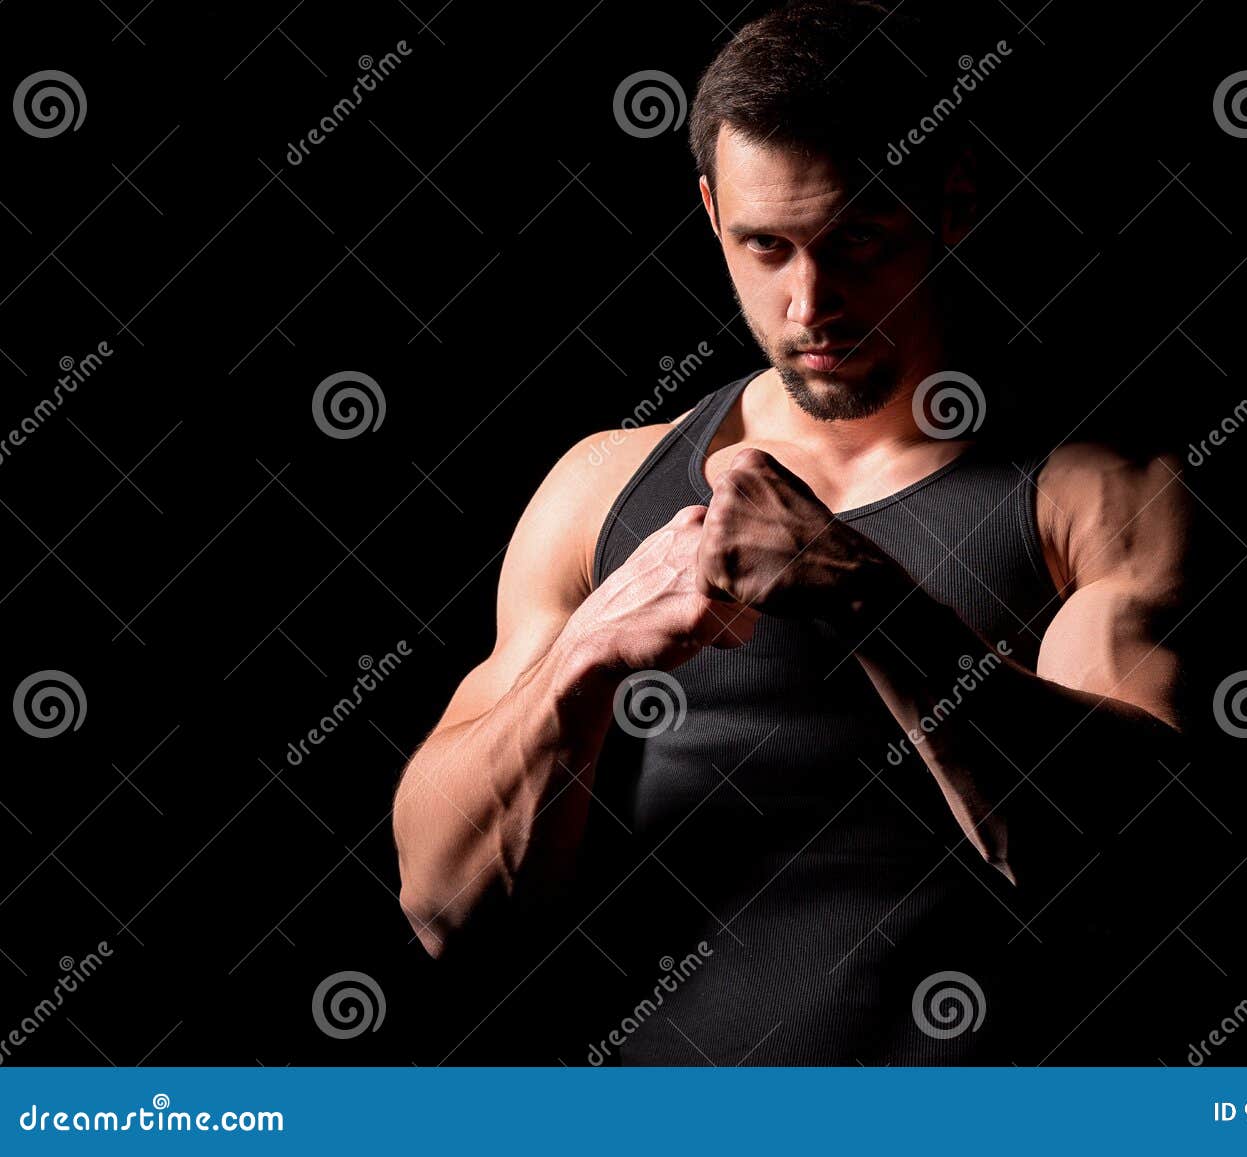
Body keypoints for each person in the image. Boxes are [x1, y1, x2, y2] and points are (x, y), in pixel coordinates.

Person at [392, 0, 1189, 1064]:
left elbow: (1137, 865)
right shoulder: (603, 485)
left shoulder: (1092, 493)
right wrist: (579, 658)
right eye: (765, 246)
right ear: (712, 209)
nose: (810, 300)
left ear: (948, 201)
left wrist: (863, 594)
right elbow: (444, 906)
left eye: (856, 237)